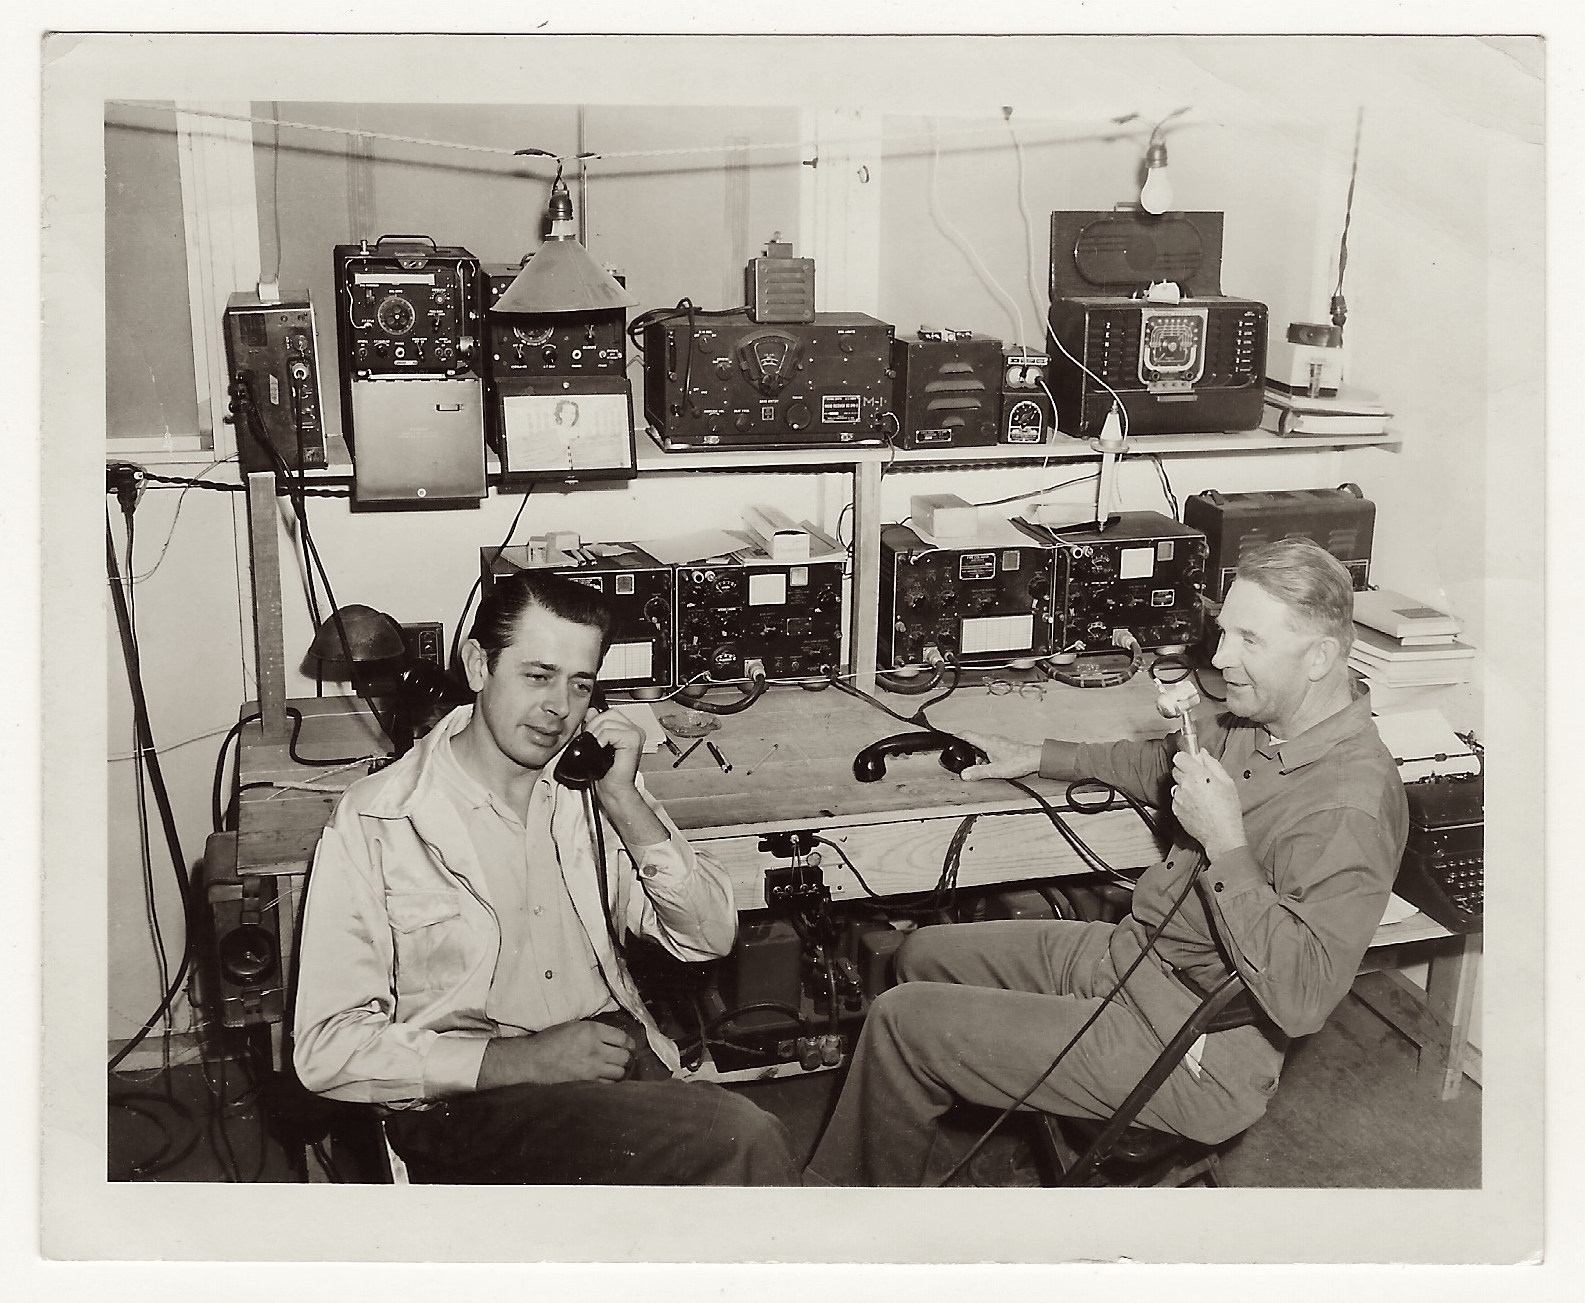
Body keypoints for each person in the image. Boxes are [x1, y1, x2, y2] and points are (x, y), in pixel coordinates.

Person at [805, 538, 1409, 1185]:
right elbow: (1162, 763)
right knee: (921, 955)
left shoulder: (1350, 807)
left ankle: (842, 1222)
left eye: (1248, 640)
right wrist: (1041, 755)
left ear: (1319, 657)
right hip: (1134, 957)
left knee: (902, 1023)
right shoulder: (1265, 717)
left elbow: (1302, 999)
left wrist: (1225, 845)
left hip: (1192, 1048)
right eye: (1224, 631)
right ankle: (955, 1142)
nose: (1219, 657)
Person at [293, 570, 801, 1185]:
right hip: (469, 1097)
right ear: (478, 667)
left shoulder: (592, 787)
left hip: (607, 1056)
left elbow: (709, 936)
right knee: (740, 1137)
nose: (560, 708)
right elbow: (326, 1049)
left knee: (742, 1159)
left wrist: (626, 804)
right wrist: (521, 1061)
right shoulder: (377, 817)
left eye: (580, 684)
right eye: (537, 676)